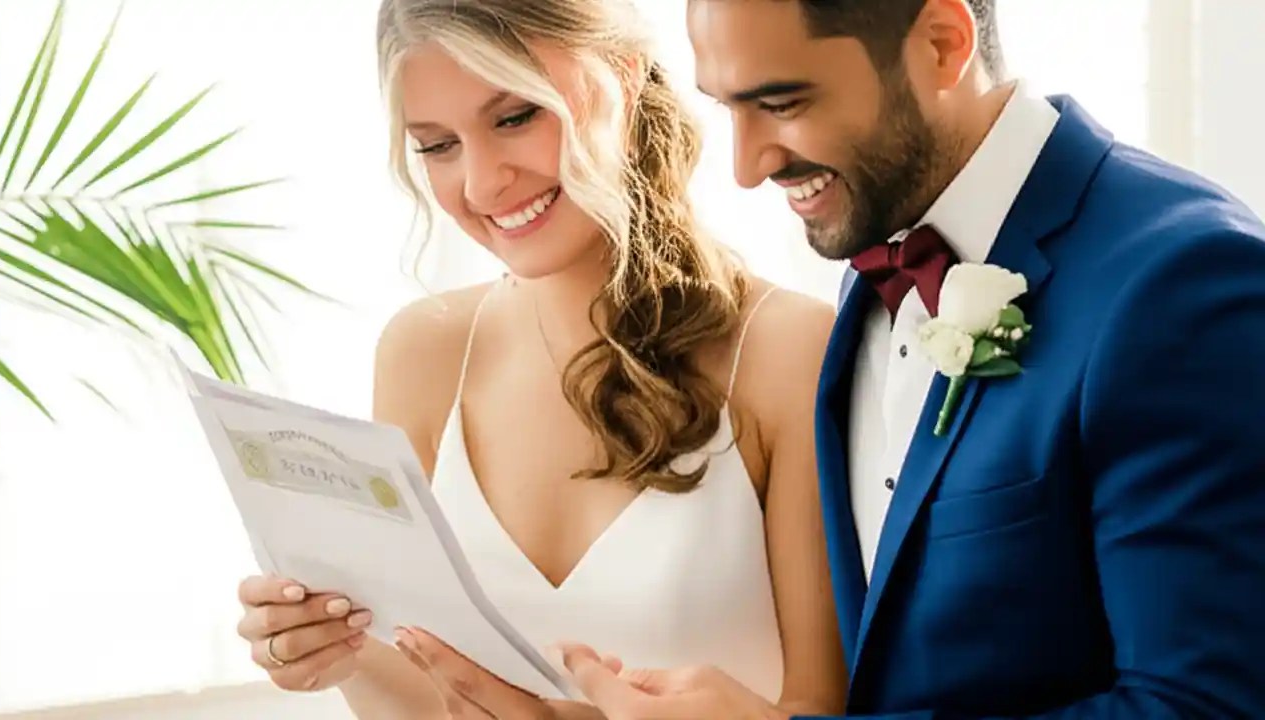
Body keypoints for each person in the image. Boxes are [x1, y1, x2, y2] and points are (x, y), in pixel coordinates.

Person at [488, 0, 1264, 717]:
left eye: (782, 104)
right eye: (728, 106)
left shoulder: (1182, 284)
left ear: (941, 43)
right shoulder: (876, 253)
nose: (747, 165)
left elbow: (1207, 706)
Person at [233, 0, 847, 717]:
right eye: (437, 146)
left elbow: (821, 705)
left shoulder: (784, 349)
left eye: (515, 116)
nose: (482, 184)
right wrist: (333, 652)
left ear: (619, 74)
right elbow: (425, 703)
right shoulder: (425, 353)